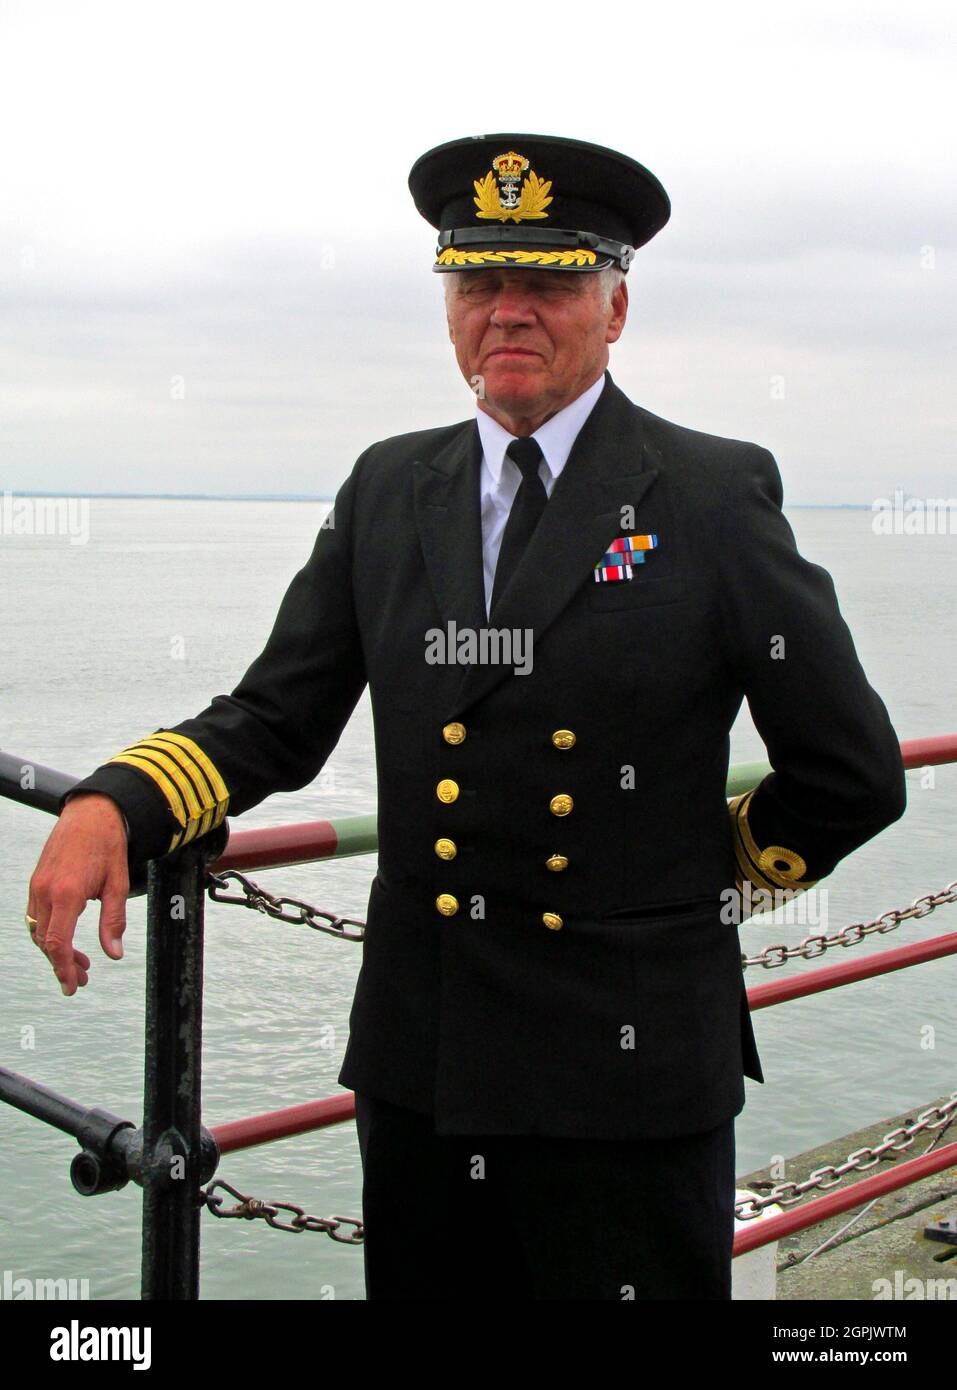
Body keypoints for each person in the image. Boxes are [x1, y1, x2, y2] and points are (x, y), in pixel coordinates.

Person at [25, 133, 906, 1300]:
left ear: (616, 305)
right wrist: (117, 796)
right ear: (450, 305)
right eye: (479, 282)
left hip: (629, 1070)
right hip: (427, 1060)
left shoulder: (708, 494)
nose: (509, 312)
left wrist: (700, 889)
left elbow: (852, 770)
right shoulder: (392, 487)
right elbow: (277, 713)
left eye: (548, 281)